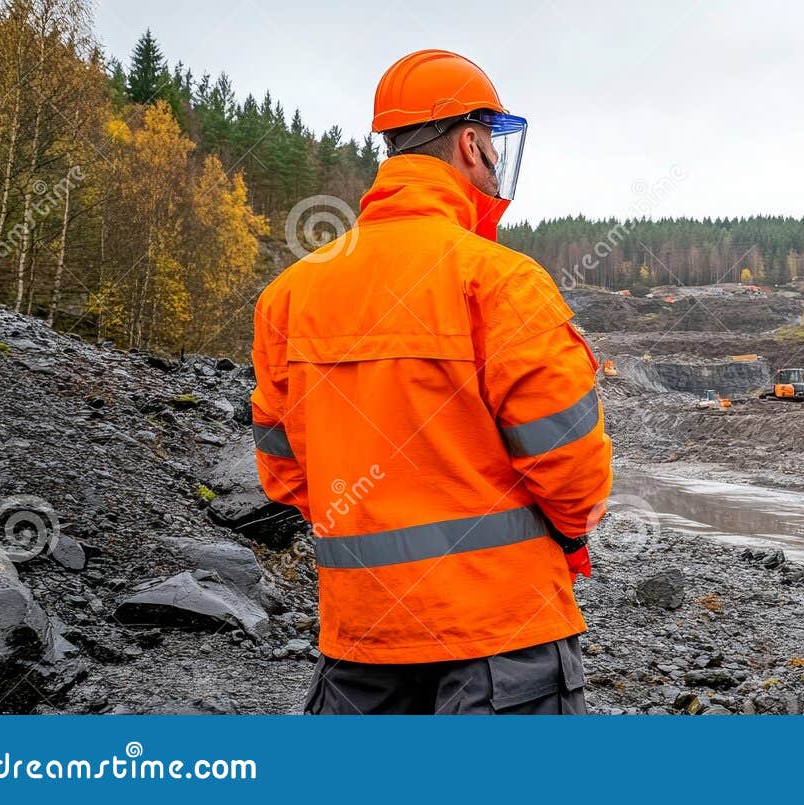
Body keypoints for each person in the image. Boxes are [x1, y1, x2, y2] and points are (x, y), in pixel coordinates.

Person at [249, 49, 612, 714]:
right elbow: (571, 469)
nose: (497, 161)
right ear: (469, 143)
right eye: (493, 145)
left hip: (361, 644)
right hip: (505, 638)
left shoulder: (290, 297)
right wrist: (568, 533)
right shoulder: (501, 281)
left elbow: (283, 472)